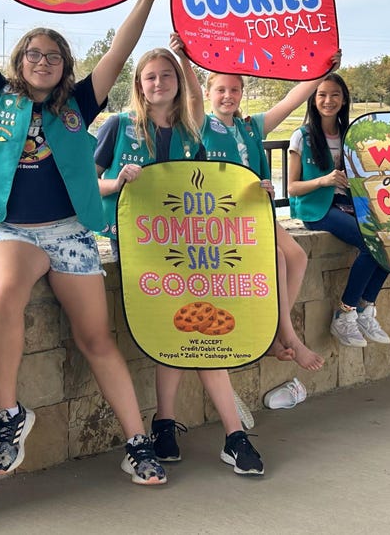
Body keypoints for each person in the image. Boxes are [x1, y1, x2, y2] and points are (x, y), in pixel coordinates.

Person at [0, 0, 167, 486]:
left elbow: (119, 52)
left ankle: (137, 442)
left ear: (66, 66)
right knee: (6, 295)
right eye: (33, 53)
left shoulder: (79, 104)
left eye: (54, 55)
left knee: (97, 339)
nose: (43, 60)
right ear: (20, 61)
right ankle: (8, 416)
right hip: (10, 229)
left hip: (69, 232)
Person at [95, 43, 264, 476]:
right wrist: (117, 182)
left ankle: (192, 429)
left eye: (166, 76)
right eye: (150, 77)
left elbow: (209, 190)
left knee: (198, 329)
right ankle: (214, 432)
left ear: (177, 83)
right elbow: (85, 186)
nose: (158, 83)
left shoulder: (193, 133)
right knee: (173, 330)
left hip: (189, 246)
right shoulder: (117, 126)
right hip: (137, 245)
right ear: (138, 83)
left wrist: (251, 193)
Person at [199, 58, 344, 371]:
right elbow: (189, 99)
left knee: (298, 257)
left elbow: (292, 101)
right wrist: (185, 58)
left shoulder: (251, 126)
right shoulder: (202, 125)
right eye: (221, 89)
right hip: (223, 220)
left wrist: (320, 68)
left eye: (235, 89)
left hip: (256, 212)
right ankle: (286, 335)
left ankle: (275, 330)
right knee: (276, 257)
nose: (228, 95)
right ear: (208, 93)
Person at [287, 73, 390, 348]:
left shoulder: (352, 135)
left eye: (335, 94)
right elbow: (292, 188)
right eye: (321, 94)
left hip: (349, 205)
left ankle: (366, 308)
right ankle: (346, 312)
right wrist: (325, 180)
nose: (328, 100)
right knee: (372, 243)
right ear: (313, 99)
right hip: (317, 208)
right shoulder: (301, 136)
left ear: (344, 99)